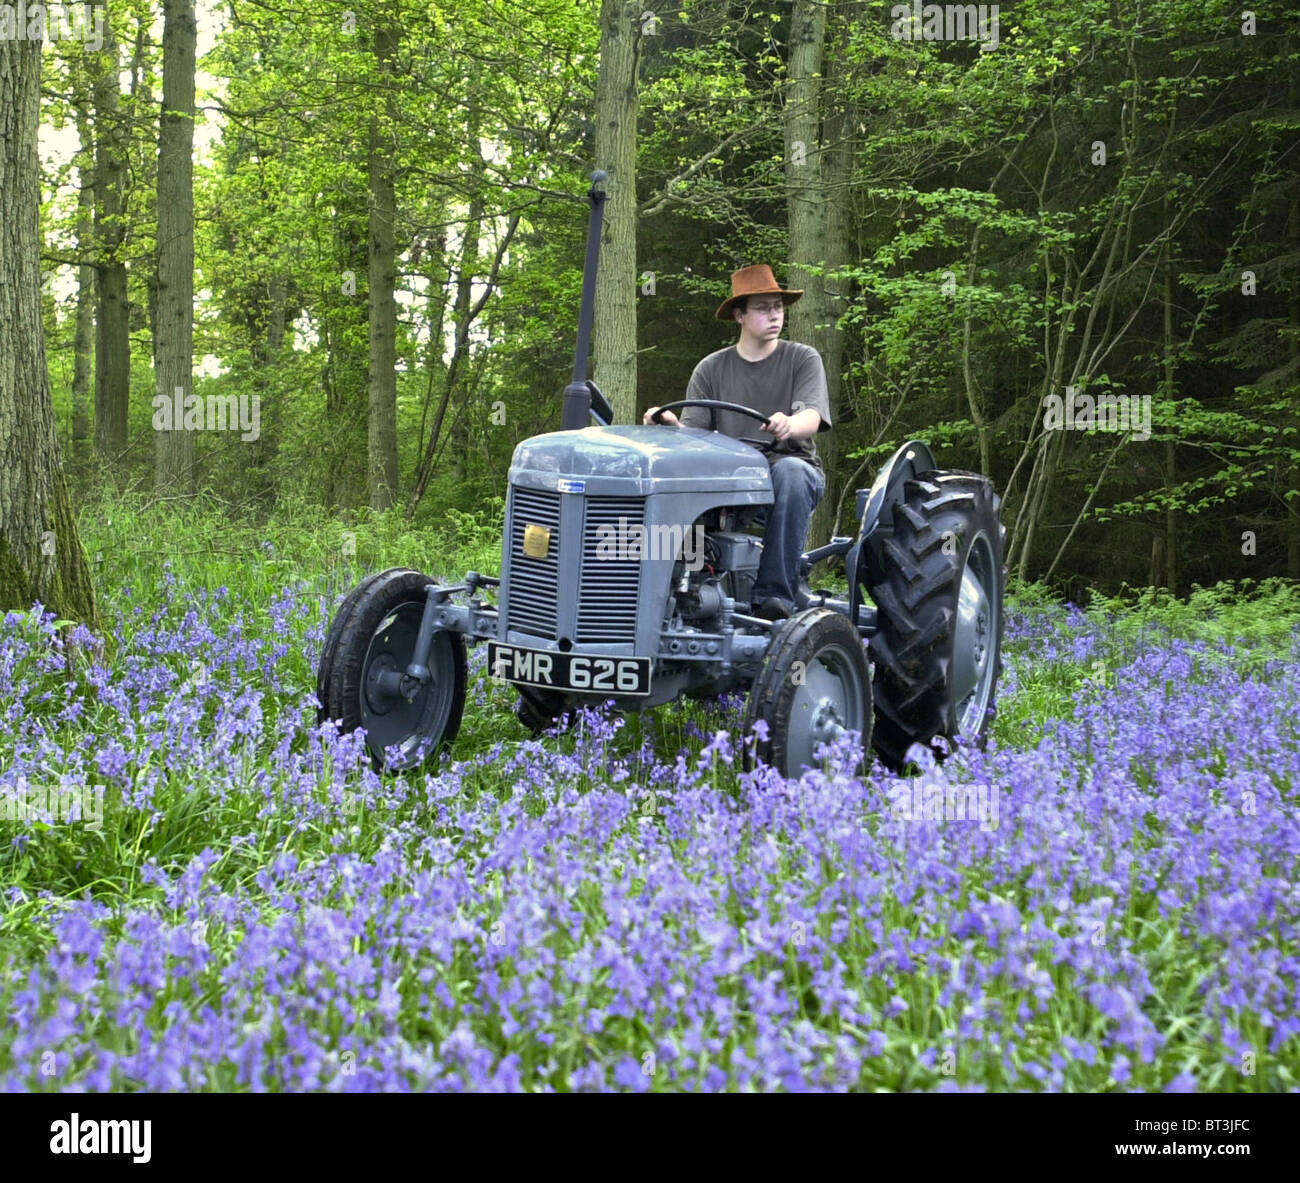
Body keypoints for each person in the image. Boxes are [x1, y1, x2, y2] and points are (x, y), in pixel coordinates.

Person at [643, 264, 832, 621]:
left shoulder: (802, 358)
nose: (775, 315)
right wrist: (668, 424)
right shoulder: (711, 369)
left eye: (778, 306)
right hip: (728, 482)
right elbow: (692, 438)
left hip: (784, 476)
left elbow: (813, 416)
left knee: (792, 471)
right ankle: (665, 597)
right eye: (763, 307)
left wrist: (789, 424)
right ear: (739, 315)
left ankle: (774, 598)